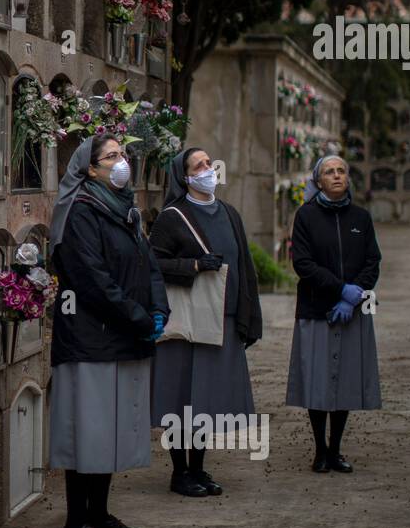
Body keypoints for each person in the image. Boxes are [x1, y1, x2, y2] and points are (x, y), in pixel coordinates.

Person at [48, 135, 170, 528]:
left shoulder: (125, 210)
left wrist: (159, 310)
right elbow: (92, 281)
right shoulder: (82, 213)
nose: (123, 162)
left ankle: (99, 513)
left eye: (124, 155)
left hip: (124, 337)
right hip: (90, 341)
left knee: (112, 431)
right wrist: (138, 319)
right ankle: (76, 522)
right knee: (89, 431)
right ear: (91, 169)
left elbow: (148, 264)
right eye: (112, 156)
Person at [149, 147, 263, 497]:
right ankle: (179, 471)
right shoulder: (173, 216)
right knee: (180, 397)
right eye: (197, 165)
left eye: (208, 162)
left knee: (204, 400)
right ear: (184, 177)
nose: (207, 168)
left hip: (222, 320)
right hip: (187, 321)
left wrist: (249, 318)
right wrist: (194, 266)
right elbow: (152, 264)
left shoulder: (229, 213)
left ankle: (198, 468)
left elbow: (244, 266)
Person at [286, 154, 382, 473]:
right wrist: (339, 289)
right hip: (317, 309)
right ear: (319, 180)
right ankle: (320, 449)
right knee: (317, 381)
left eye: (342, 170)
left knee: (344, 383)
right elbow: (303, 263)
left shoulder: (361, 218)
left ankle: (337, 449)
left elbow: (373, 261)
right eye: (329, 172)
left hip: (351, 311)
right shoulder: (306, 216)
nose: (337, 175)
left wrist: (354, 296)